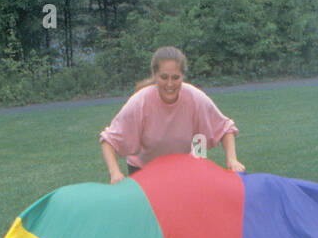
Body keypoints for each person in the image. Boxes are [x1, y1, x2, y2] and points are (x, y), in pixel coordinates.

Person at [99, 46, 243, 183]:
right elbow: (108, 140)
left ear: (183, 76)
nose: (169, 84)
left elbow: (225, 128)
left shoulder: (194, 97)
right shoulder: (140, 102)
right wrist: (115, 173)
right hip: (143, 170)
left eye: (175, 77)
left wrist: (232, 159)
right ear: (155, 75)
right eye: (164, 77)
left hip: (181, 169)